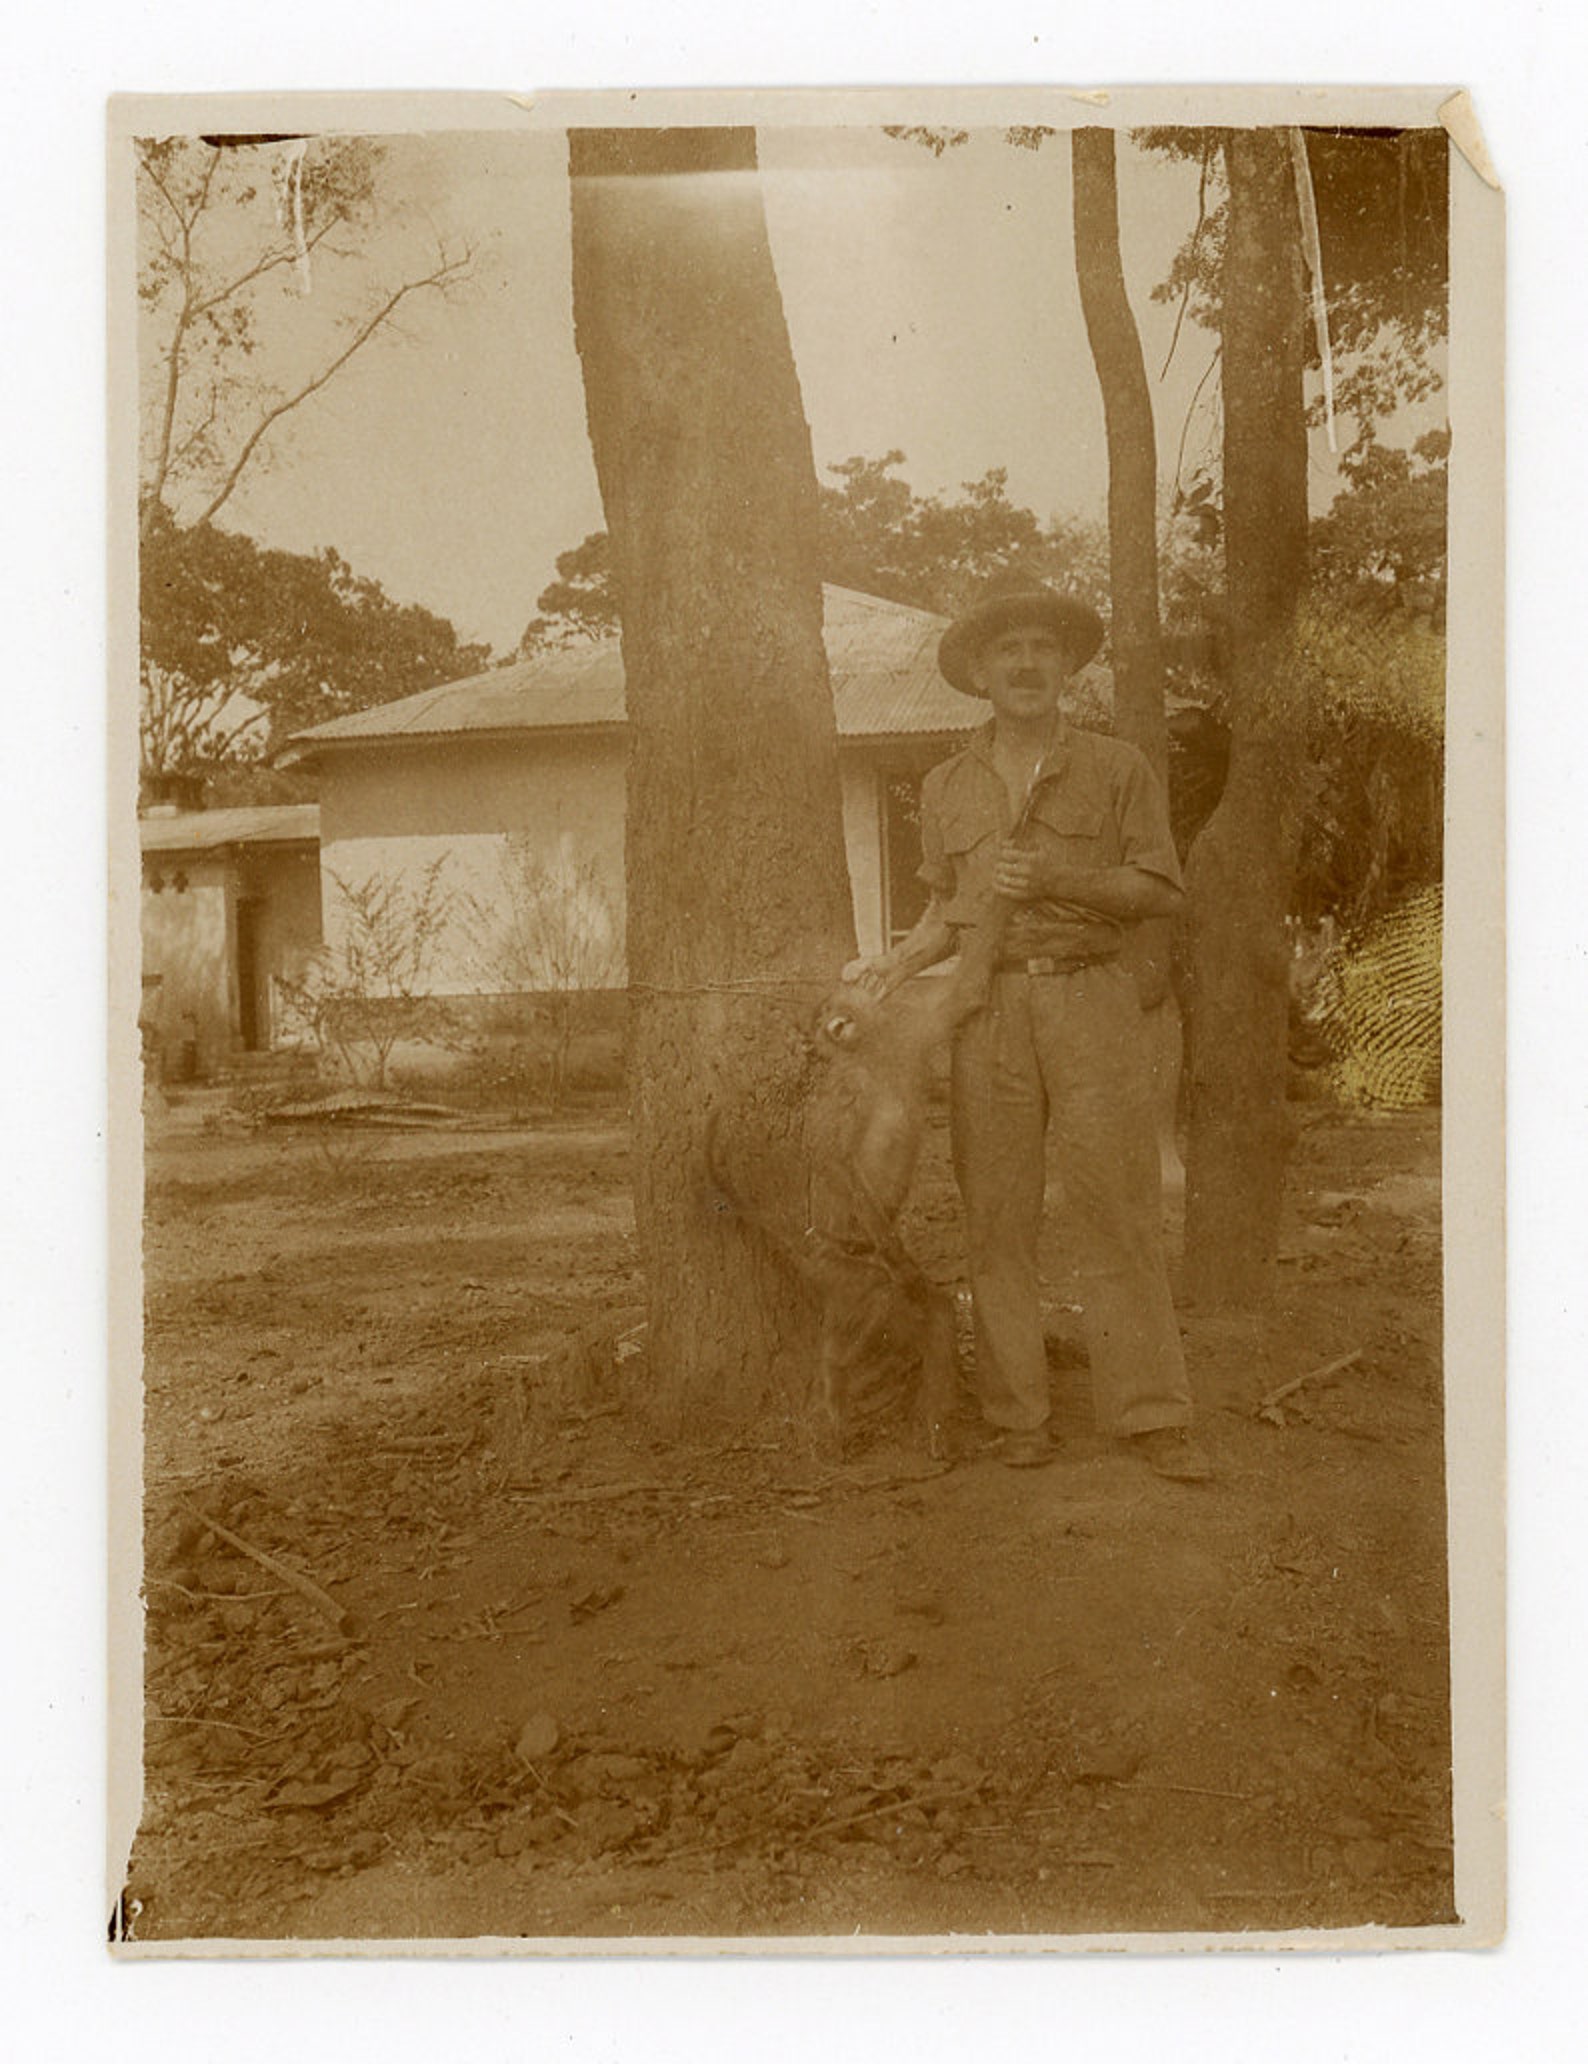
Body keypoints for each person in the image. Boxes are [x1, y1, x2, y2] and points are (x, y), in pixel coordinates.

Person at [845, 578, 1210, 1481]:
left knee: (1117, 1211)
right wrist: (894, 964)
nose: (1026, 663)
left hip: (1092, 1002)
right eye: (1006, 651)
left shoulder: (1118, 768)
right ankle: (1019, 1416)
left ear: (1068, 666)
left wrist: (1057, 878)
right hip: (987, 1012)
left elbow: (1161, 891)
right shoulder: (944, 784)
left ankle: (1149, 1414)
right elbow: (949, 910)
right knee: (996, 1220)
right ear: (977, 672)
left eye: (1044, 647)